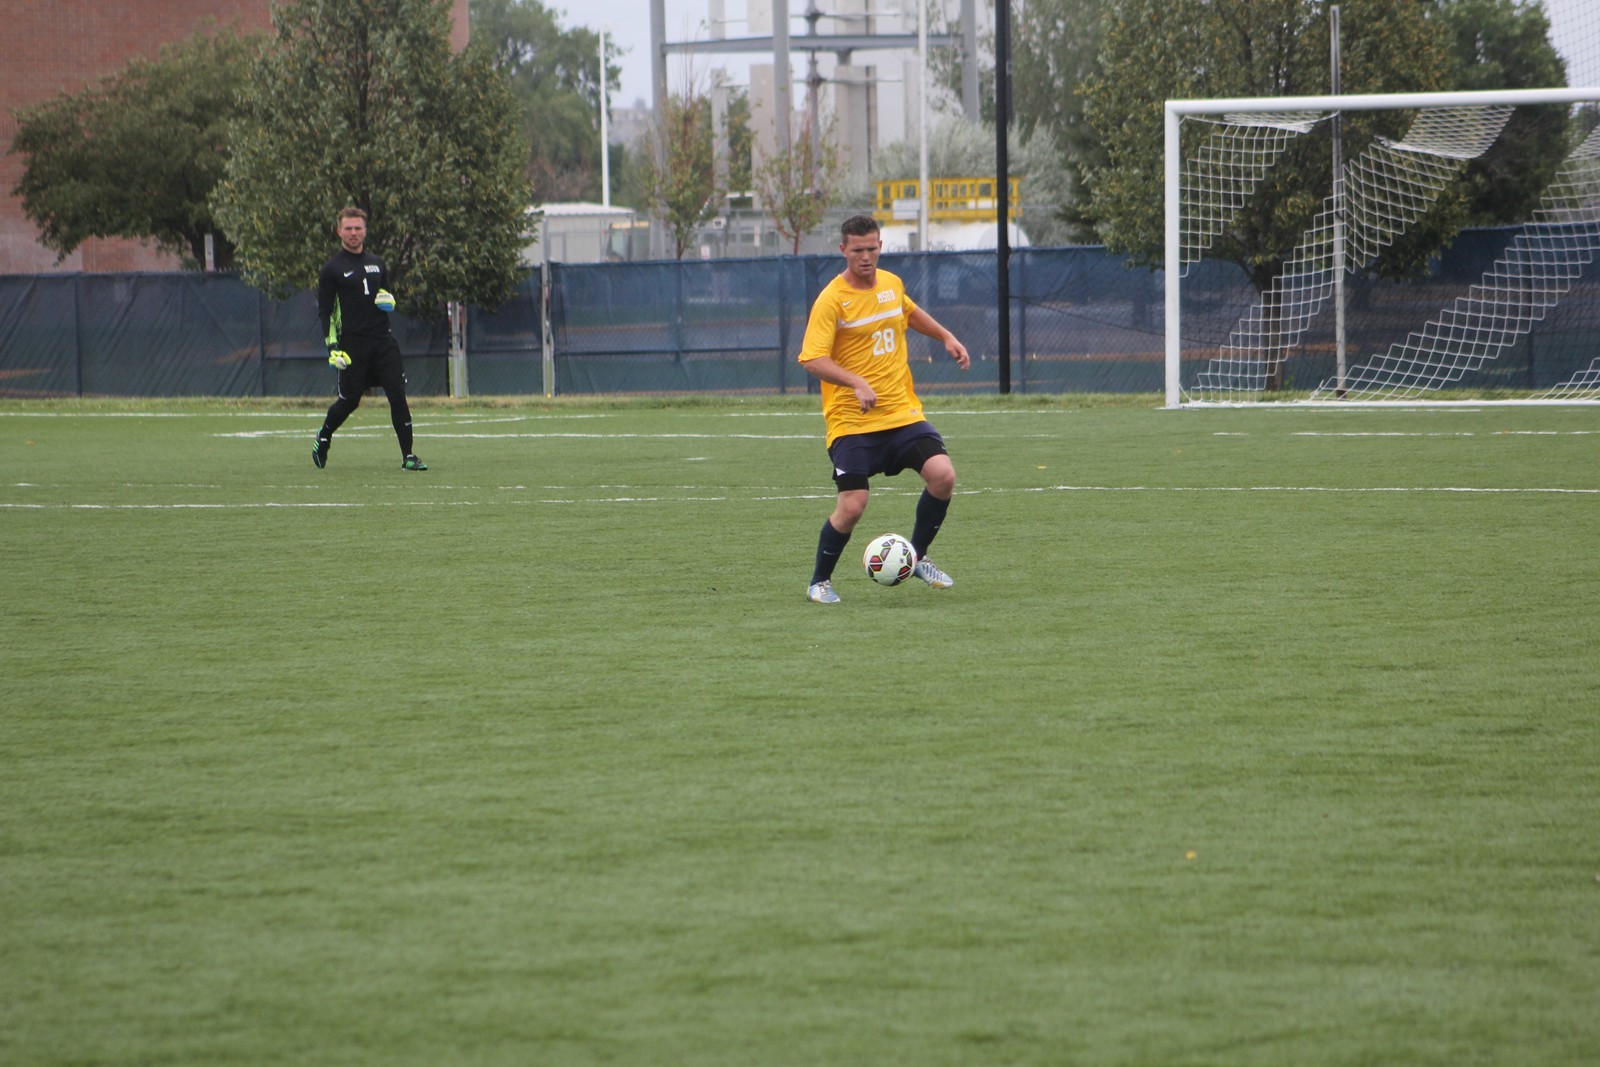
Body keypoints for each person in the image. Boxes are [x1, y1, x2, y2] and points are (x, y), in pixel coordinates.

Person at [799, 214, 970, 604]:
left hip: (901, 413)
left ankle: (918, 557)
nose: (866, 256)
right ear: (843, 250)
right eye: (857, 250)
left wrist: (945, 336)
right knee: (853, 504)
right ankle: (819, 582)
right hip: (852, 420)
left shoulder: (891, 284)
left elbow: (907, 313)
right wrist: (857, 382)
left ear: (880, 246)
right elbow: (811, 359)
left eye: (872, 248)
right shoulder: (832, 300)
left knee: (943, 476)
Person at [310, 206, 426, 471]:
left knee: (397, 395)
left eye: (358, 228)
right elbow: (325, 311)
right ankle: (324, 436)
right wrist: (332, 347)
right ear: (339, 231)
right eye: (348, 228)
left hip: (383, 342)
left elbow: (385, 295)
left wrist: (390, 300)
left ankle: (408, 456)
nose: (353, 233)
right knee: (350, 401)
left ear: (365, 231)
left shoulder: (378, 263)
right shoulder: (331, 269)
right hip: (352, 345)